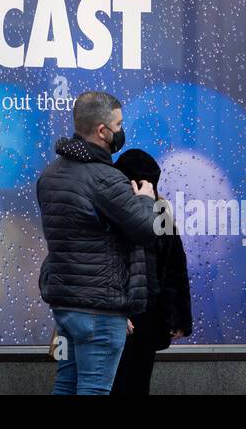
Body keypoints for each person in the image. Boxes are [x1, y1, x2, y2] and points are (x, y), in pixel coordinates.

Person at [36, 90, 157, 395]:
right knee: (94, 389)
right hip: (100, 309)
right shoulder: (105, 178)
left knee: (66, 384)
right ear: (103, 131)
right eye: (119, 124)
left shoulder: (50, 175)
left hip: (65, 305)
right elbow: (146, 229)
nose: (122, 131)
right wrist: (145, 200)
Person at [110, 149, 192, 395]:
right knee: (119, 383)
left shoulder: (160, 212)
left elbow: (173, 263)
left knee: (136, 382)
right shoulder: (113, 210)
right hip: (123, 311)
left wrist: (178, 317)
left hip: (146, 312)